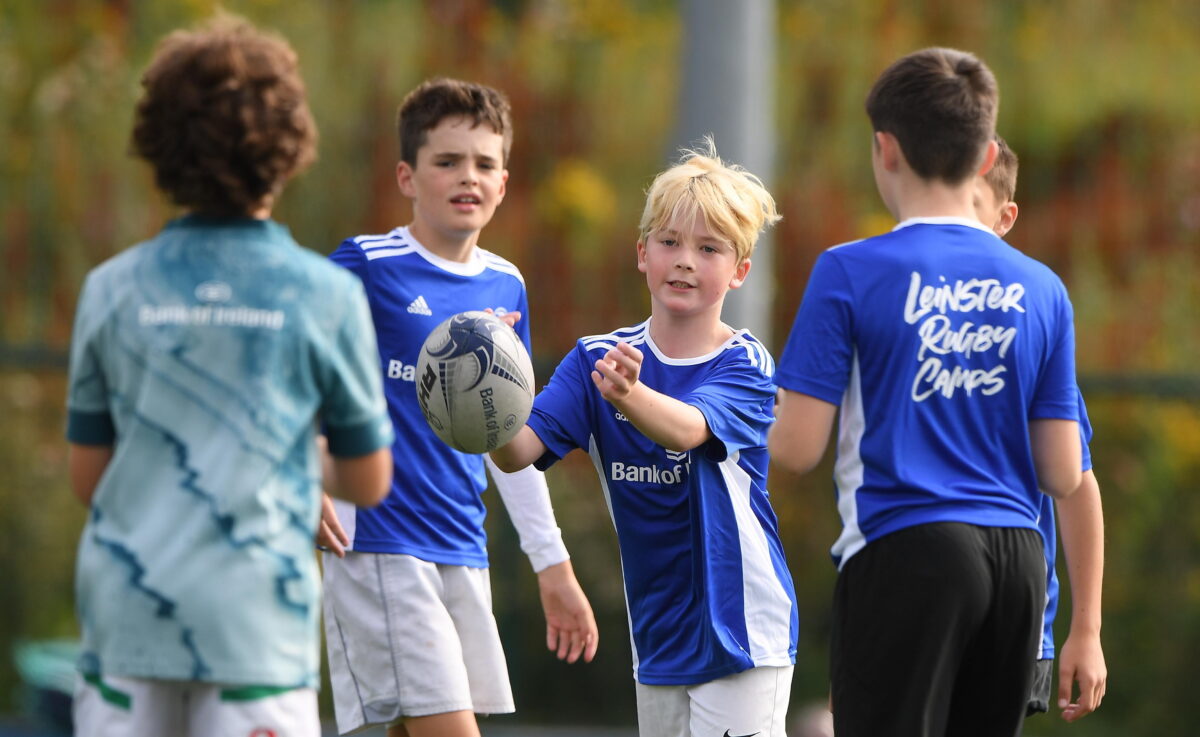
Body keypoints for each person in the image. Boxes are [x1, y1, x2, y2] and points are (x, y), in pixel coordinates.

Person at [64, 17, 393, 737]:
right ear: (289, 149)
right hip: (258, 633)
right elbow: (368, 481)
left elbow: (90, 479)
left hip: (127, 628)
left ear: (157, 144)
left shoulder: (110, 289)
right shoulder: (325, 295)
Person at [769, 47, 1083, 737]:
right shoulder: (1042, 287)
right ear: (985, 157)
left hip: (907, 548)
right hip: (1019, 564)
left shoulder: (849, 270)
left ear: (885, 149)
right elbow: (1062, 470)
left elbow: (794, 448)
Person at [319, 77, 598, 737]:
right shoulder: (366, 265)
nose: (466, 176)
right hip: (381, 544)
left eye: (483, 163)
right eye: (446, 161)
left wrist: (552, 565)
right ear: (407, 176)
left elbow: (508, 436)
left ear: (503, 182)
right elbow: (289, 374)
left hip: (462, 544)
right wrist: (305, 475)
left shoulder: (506, 285)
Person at [491, 141, 798, 737]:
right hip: (656, 637)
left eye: (709, 248)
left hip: (741, 635)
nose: (685, 260)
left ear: (739, 271)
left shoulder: (745, 364)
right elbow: (515, 453)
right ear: (642, 253)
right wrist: (482, 392)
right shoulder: (595, 361)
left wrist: (628, 395)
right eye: (670, 242)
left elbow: (688, 430)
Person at [974, 136, 1108, 722]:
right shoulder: (892, 315)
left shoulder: (1033, 331)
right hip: (913, 596)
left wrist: (1086, 627)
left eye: (972, 210)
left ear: (1005, 219)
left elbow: (1075, 485)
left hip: (1014, 612)